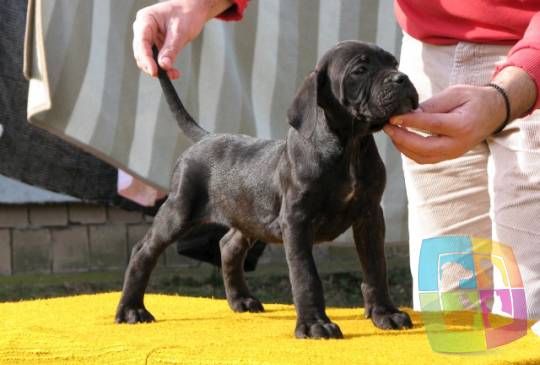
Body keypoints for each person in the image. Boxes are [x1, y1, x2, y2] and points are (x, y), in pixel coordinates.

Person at [132, 0, 540, 319]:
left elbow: (366, 220)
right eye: (364, 72)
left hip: (530, 56)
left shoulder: (366, 165)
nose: (393, 78)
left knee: (532, 302)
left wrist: (514, 89)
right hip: (432, 47)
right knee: (456, 315)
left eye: (390, 70)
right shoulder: (304, 152)